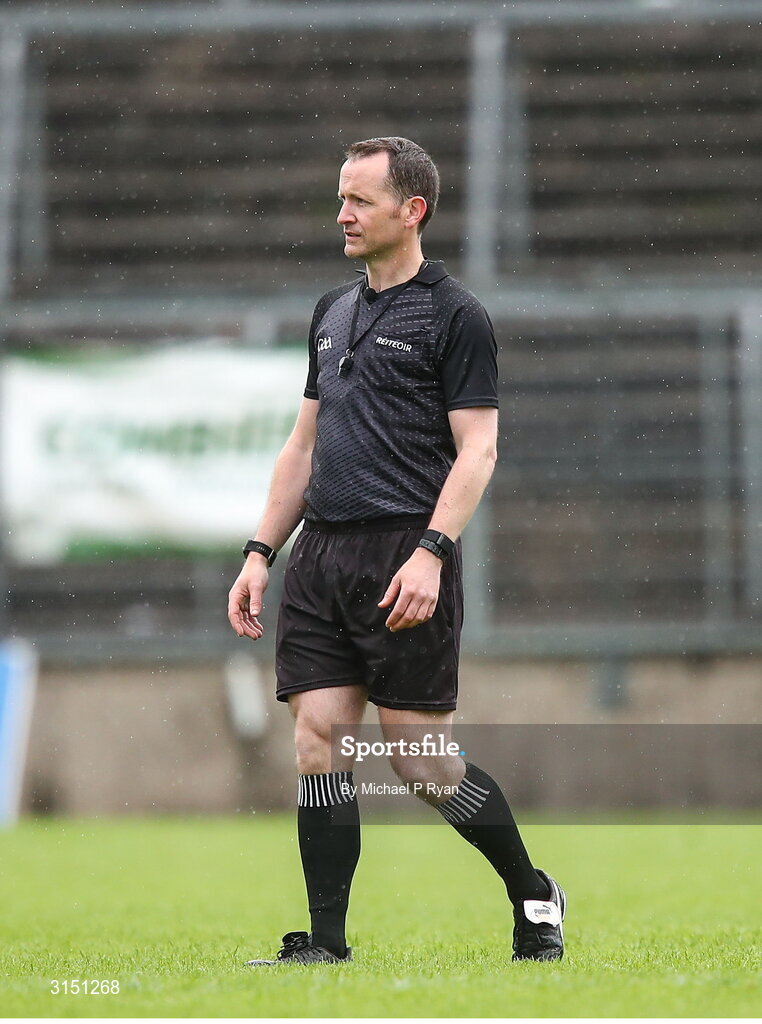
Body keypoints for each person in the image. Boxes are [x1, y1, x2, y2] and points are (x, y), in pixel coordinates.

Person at [227, 136, 565, 965]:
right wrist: (261, 549)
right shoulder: (331, 312)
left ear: (411, 211)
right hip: (322, 558)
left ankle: (535, 893)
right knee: (318, 738)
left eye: (360, 200)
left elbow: (478, 450)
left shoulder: (457, 317)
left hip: (405, 556)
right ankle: (327, 946)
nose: (341, 213)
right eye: (340, 196)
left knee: (421, 763)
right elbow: (304, 447)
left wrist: (432, 551)